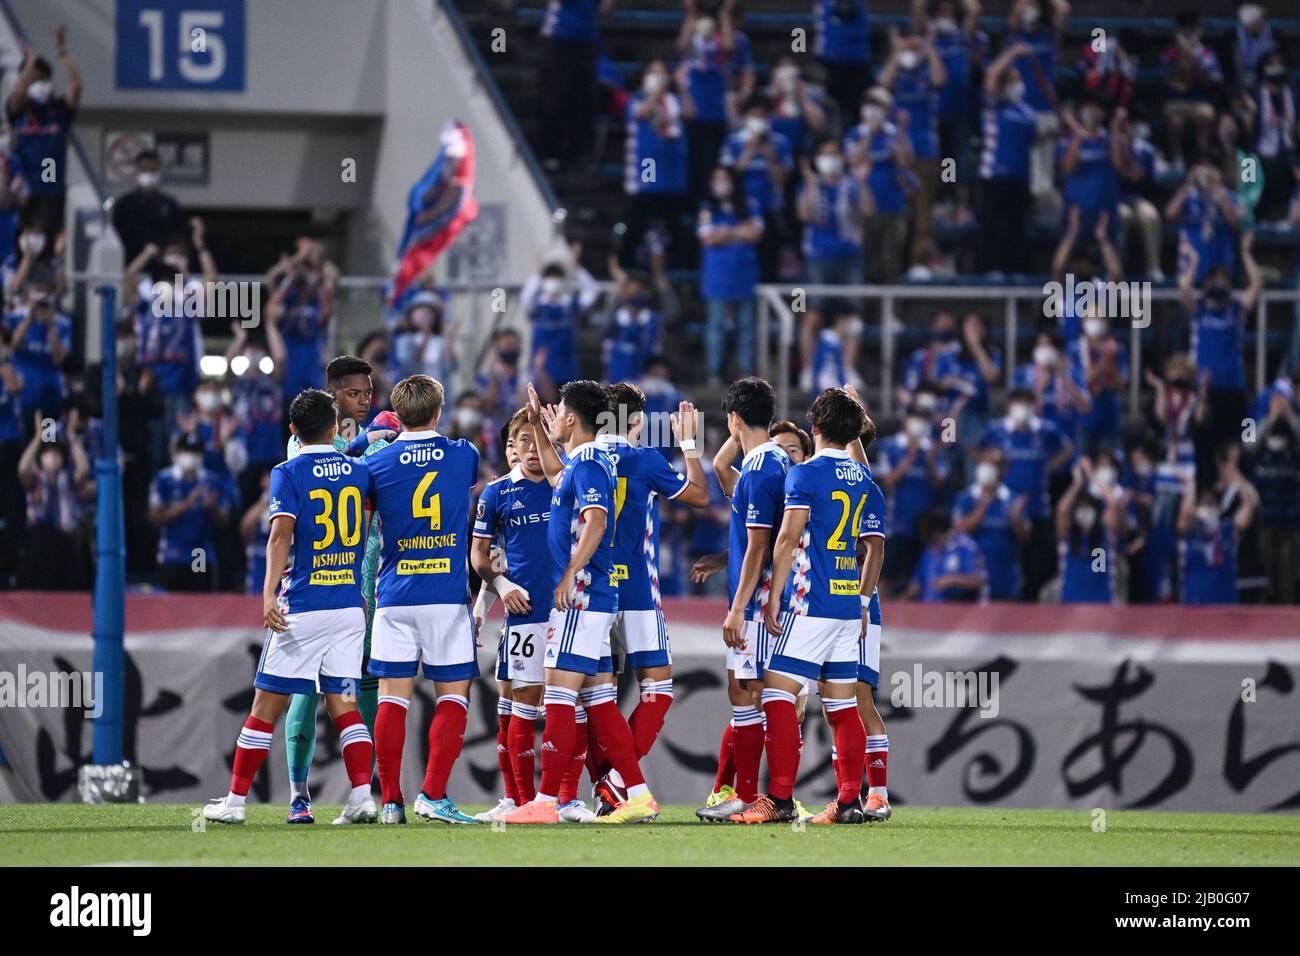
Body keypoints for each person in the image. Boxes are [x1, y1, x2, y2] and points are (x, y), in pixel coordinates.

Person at [202, 389, 375, 826]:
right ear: (336, 428)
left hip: (305, 603)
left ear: (293, 430)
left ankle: (235, 803)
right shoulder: (358, 470)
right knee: (345, 704)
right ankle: (361, 797)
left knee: (265, 704)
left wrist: (266, 594)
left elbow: (280, 536)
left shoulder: (287, 472)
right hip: (349, 605)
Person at [503, 379, 660, 825]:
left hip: (583, 596)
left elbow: (595, 520)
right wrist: (534, 422)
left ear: (572, 418)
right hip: (594, 596)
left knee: (557, 694)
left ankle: (547, 801)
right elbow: (558, 475)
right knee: (598, 699)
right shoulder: (583, 461)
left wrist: (570, 572)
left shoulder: (589, 462)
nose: (551, 419)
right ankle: (640, 793)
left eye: (558, 413)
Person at [733, 386, 884, 825]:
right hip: (845, 606)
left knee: (777, 695)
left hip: (810, 603)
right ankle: (850, 801)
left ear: (814, 428)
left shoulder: (805, 474)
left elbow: (784, 539)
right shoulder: (866, 481)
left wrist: (775, 594)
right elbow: (874, 548)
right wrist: (861, 601)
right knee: (841, 707)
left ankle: (778, 799)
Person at [364, 375, 481, 825]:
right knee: (453, 697)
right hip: (445, 596)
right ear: (438, 412)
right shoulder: (463, 454)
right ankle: (432, 794)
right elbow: (460, 485)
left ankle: (391, 801)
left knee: (393, 700)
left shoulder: (378, 464)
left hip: (394, 594)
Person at [591, 384, 709, 812]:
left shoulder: (580, 458)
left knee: (594, 697)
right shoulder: (646, 460)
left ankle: (580, 793)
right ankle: (619, 780)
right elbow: (699, 495)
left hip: (590, 592)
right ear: (638, 422)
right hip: (638, 591)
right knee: (657, 689)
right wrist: (689, 443)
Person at [694, 377, 790, 821]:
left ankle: (756, 796)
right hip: (759, 594)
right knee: (747, 691)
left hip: (757, 601)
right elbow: (719, 469)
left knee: (753, 692)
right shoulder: (769, 461)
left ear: (733, 419)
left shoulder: (761, 468)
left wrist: (737, 607)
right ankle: (751, 795)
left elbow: (758, 545)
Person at [470, 409, 559, 820]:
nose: (530, 447)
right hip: (524, 615)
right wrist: (499, 591)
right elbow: (482, 556)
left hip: (569, 612)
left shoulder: (569, 483)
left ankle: (566, 798)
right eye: (522, 439)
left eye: (538, 436)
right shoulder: (498, 493)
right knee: (515, 701)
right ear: (512, 446)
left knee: (571, 705)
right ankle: (520, 800)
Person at [979, 388, 1073, 599]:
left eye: (1027, 402)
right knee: (1006, 555)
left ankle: (1030, 601)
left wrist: (1049, 467)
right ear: (1009, 405)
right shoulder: (997, 430)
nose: (1022, 407)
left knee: (1037, 562)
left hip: (1037, 506)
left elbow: (1067, 448)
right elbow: (976, 449)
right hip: (1004, 506)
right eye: (1018, 401)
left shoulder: (1045, 430)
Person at [1178, 235, 1262, 470]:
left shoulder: (1237, 309)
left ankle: (1239, 480)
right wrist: (1194, 262)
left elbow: (1256, 285)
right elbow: (1183, 288)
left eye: (1224, 279)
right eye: (1214, 279)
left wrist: (1246, 254)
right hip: (1204, 389)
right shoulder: (1199, 310)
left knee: (1244, 438)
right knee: (1204, 441)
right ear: (1206, 284)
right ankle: (1206, 491)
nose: (1219, 283)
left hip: (1235, 387)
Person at [879, 24, 946, 270]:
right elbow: (881, 83)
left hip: (925, 151)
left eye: (914, 44)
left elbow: (941, 79)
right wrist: (897, 53)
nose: (911, 49)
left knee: (921, 212)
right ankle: (893, 263)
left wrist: (928, 48)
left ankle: (918, 263)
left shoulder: (928, 71)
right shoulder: (896, 74)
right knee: (896, 210)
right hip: (896, 154)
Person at [6, 26, 80, 236]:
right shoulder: (20, 109)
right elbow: (19, 92)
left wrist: (61, 53)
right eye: (33, 80)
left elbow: (75, 85)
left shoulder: (58, 110)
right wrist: (30, 61)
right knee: (21, 245)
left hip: (51, 191)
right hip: (24, 191)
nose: (38, 85)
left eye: (42, 80)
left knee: (45, 244)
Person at [976, 42, 1041, 275]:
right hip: (994, 173)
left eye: (1018, 80)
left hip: (1020, 176)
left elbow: (1034, 139)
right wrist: (1012, 52)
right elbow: (991, 76)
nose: (1017, 84)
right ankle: (988, 269)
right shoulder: (994, 104)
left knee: (1016, 227)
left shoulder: (1027, 110)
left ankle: (1015, 268)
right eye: (1012, 80)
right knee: (991, 226)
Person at [697, 165, 761, 384]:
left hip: (744, 274)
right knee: (715, 326)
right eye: (716, 178)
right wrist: (738, 232)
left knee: (746, 327)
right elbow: (708, 237)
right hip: (717, 276)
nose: (720, 183)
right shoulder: (707, 208)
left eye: (724, 178)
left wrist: (726, 232)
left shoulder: (749, 204)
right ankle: (713, 373)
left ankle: (746, 375)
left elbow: (755, 233)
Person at [621, 60, 689, 264]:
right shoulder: (637, 98)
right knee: (643, 206)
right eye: (653, 72)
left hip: (672, 164)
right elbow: (641, 113)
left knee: (674, 217)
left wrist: (683, 87)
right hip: (648, 161)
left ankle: (677, 262)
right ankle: (627, 261)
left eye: (662, 73)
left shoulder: (673, 100)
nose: (658, 77)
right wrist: (656, 93)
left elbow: (689, 114)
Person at [875, 404, 948, 593]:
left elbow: (939, 485)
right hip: (896, 523)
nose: (918, 424)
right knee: (888, 575)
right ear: (905, 421)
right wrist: (910, 456)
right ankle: (877, 617)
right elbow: (888, 481)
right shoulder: (891, 446)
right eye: (915, 418)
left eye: (923, 419)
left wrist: (930, 463)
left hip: (923, 525)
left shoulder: (931, 449)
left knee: (915, 578)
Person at [720, 93, 793, 278]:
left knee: (770, 262)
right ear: (745, 117)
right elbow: (727, 178)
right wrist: (748, 154)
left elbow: (782, 180)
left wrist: (770, 157)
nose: (758, 120)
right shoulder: (734, 142)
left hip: (771, 209)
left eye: (762, 116)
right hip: (742, 210)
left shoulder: (780, 143)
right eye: (754, 115)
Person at [16, 411, 91, 589]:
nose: (53, 457)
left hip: (64, 540)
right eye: (48, 453)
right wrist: (37, 438)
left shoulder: (67, 478)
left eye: (57, 454)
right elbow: (22, 469)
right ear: (40, 458)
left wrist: (72, 438)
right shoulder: (35, 479)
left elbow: (83, 470)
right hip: (39, 538)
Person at [845, 86, 912, 282]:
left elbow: (906, 163)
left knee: (890, 264)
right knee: (866, 263)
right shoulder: (855, 133)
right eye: (869, 104)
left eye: (878, 105)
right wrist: (870, 134)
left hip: (893, 207)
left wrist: (899, 134)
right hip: (862, 208)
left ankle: (890, 310)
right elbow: (853, 160)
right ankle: (867, 310)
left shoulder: (895, 133)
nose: (873, 110)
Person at [148, 431, 228, 592]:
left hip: (200, 553)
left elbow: (224, 522)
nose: (190, 455)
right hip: (172, 551)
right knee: (169, 605)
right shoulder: (164, 479)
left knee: (199, 604)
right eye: (186, 450)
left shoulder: (211, 481)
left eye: (195, 451)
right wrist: (186, 504)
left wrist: (212, 509)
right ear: (176, 452)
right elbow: (156, 516)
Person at [265, 239, 337, 410]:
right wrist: (293, 269)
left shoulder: (317, 300)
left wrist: (318, 267)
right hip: (290, 365)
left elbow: (330, 288)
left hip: (312, 363)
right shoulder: (289, 297)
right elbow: (270, 308)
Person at [952, 448, 1029, 601]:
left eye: (992, 465)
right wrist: (982, 508)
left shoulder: (1013, 499)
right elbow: (958, 530)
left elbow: (1026, 535)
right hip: (971, 582)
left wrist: (1015, 518)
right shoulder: (966, 498)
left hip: (1005, 580)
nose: (986, 468)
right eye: (983, 463)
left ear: (1003, 471)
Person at [537, 0, 604, 167]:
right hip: (559, 34)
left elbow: (604, 8)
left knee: (584, 96)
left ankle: (577, 151)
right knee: (554, 96)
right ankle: (549, 150)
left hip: (586, 37)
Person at [521, 254, 600, 395]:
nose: (553, 281)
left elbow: (592, 291)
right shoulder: (536, 306)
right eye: (549, 277)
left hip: (567, 370)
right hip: (541, 371)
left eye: (557, 277)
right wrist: (538, 274)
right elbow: (526, 298)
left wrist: (576, 267)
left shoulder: (570, 305)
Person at [1178, 476, 1256, 606]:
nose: (1208, 508)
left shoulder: (1228, 529)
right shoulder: (1191, 531)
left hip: (1224, 601)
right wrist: (1191, 486)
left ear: (1219, 508)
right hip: (1196, 601)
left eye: (1211, 504)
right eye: (1204, 503)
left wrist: (1234, 477)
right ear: (1196, 508)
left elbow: (1249, 505)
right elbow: (1185, 514)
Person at [1160, 10, 1223, 170]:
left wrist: (1194, 61)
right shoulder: (1170, 53)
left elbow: (1212, 80)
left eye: (1191, 29)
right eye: (1184, 29)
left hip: (1199, 100)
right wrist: (1181, 58)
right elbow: (1168, 79)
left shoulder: (1207, 54)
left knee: (1205, 116)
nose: (1188, 33)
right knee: (1176, 123)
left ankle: (1202, 158)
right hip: (1176, 100)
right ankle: (1176, 159)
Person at [1055, 459, 1124, 603]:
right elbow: (1061, 509)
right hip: (1070, 604)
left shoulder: (1105, 535)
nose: (1085, 513)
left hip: (1102, 604)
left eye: (1089, 509)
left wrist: (1092, 476)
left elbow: (1112, 504)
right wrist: (1077, 484)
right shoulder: (1067, 536)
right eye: (1081, 509)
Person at [111, 149, 181, 264]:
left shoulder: (170, 204)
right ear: (137, 172)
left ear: (159, 172)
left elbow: (176, 237)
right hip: (131, 266)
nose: (148, 174)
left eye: (153, 170)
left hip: (162, 270)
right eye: (144, 170)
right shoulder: (124, 204)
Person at [906, 506, 986, 602]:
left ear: (936, 532)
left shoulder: (964, 546)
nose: (923, 536)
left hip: (958, 611)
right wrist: (901, 602)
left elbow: (977, 580)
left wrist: (951, 580)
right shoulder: (928, 552)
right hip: (928, 611)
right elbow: (916, 585)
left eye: (925, 531)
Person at [814, 0, 872, 121]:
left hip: (857, 64)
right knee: (828, 110)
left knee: (859, 111)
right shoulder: (826, 7)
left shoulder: (859, 7)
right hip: (829, 62)